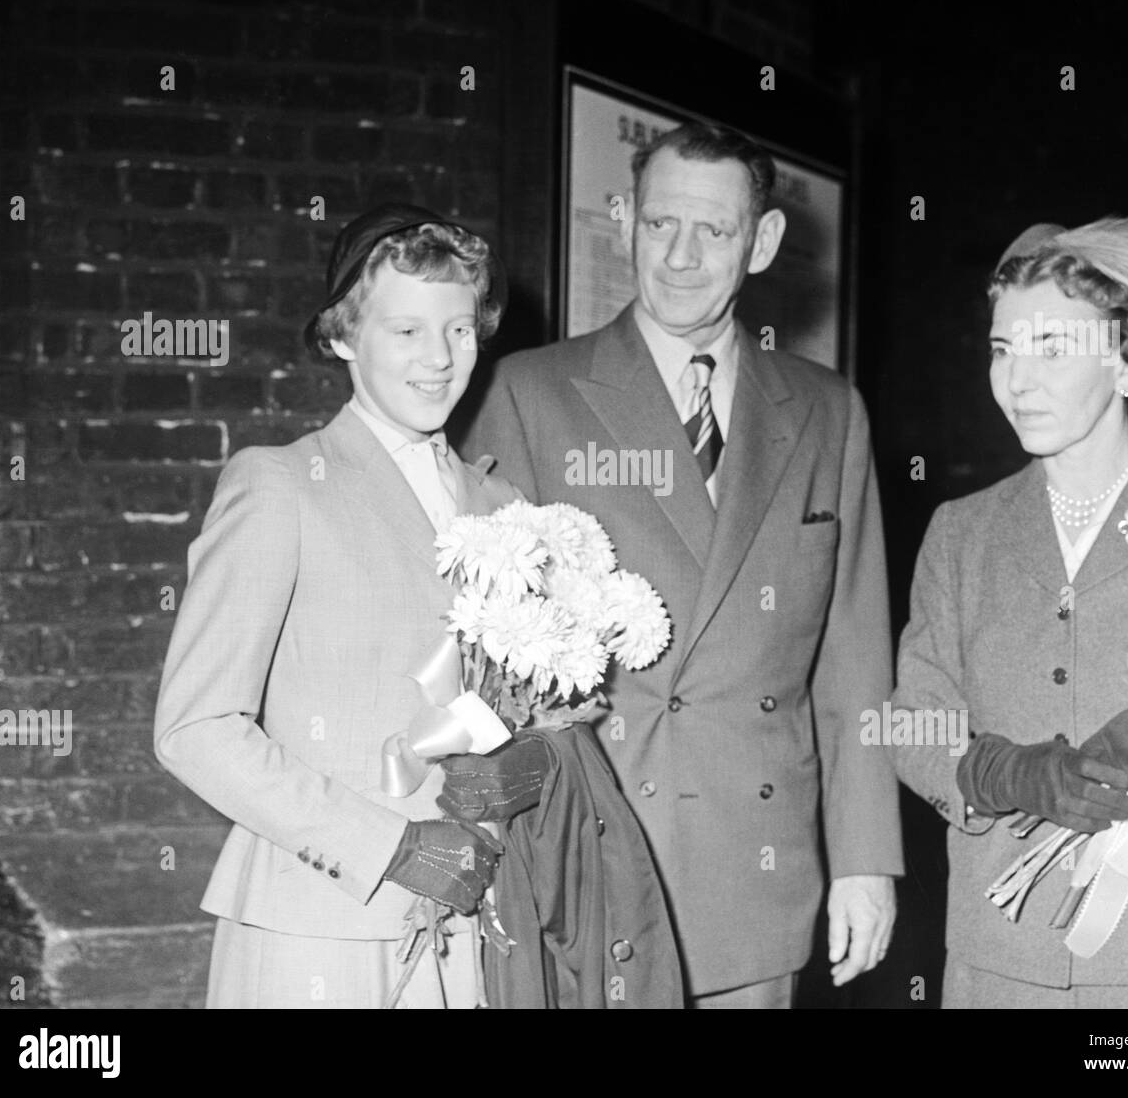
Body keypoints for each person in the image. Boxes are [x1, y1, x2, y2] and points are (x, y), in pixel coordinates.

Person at [459, 120, 903, 1007]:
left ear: (765, 242)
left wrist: (865, 862)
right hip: (592, 863)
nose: (682, 257)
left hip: (756, 871)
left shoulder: (827, 412)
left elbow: (856, 666)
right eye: (661, 224)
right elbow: (474, 658)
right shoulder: (531, 393)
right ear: (624, 222)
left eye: (716, 230)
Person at [890, 216, 1128, 1008]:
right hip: (999, 958)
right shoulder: (963, 532)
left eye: (1051, 348)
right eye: (1003, 349)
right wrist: (1002, 771)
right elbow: (911, 721)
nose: (1017, 380)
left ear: (1126, 359)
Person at [155, 205, 523, 1008]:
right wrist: (391, 847)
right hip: (317, 929)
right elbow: (196, 730)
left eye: (460, 331)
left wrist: (523, 770)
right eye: (406, 333)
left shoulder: (506, 507)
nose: (440, 359)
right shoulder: (280, 485)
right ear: (343, 338)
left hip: (477, 933)